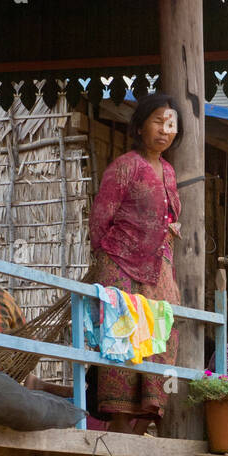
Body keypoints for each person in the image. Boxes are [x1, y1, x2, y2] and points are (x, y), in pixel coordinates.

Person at [88, 92, 183, 432]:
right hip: (121, 268)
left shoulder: (169, 172)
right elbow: (100, 221)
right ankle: (117, 430)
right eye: (158, 121)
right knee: (125, 345)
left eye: (170, 123)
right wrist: (111, 262)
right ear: (140, 126)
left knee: (161, 342)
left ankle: (142, 429)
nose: (164, 129)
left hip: (159, 271)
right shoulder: (126, 166)